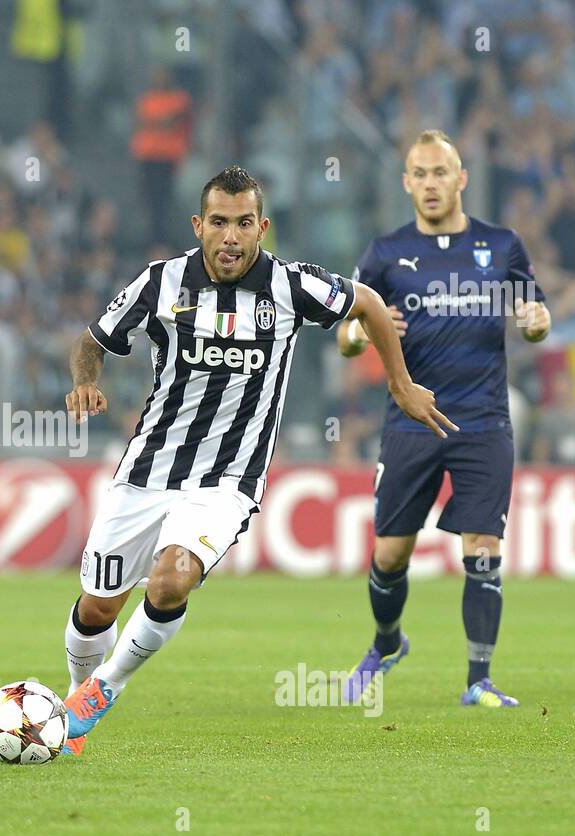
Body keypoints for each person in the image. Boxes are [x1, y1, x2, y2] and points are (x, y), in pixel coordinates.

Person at [58, 166, 452, 755]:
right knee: (97, 606)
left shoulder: (290, 287)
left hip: (228, 481)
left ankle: (105, 688)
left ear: (261, 228)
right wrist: (86, 382)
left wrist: (399, 383)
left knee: (171, 580)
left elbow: (369, 303)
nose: (231, 237)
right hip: (147, 471)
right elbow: (93, 341)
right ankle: (74, 695)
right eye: (219, 222)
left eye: (244, 224)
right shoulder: (161, 282)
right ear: (198, 225)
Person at [335, 130, 552, 708]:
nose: (431, 184)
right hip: (411, 421)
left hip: (483, 421)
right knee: (390, 556)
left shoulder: (501, 245)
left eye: (441, 173)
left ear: (461, 179)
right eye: (421, 174)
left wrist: (536, 323)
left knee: (482, 547)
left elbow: (535, 313)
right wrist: (361, 333)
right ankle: (387, 642)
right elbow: (345, 335)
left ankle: (478, 680)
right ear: (406, 183)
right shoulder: (385, 253)